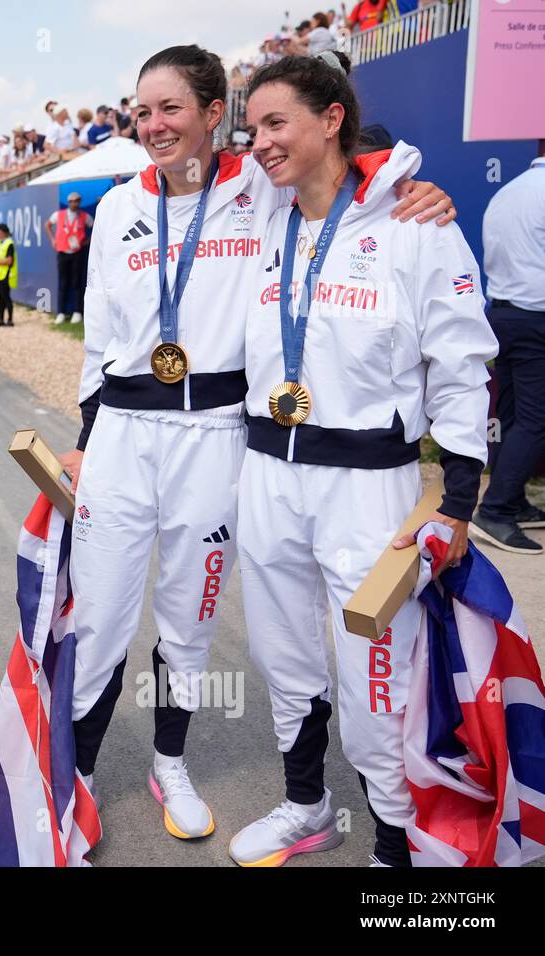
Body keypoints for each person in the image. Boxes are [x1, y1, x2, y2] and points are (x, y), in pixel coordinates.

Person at [65, 44, 454, 849]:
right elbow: (98, 338)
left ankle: (169, 761)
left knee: (190, 617)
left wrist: (413, 187)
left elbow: (343, 168)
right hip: (125, 434)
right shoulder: (113, 211)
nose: (153, 124)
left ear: (215, 116)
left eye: (171, 108)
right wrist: (84, 438)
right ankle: (75, 777)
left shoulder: (259, 187)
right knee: (99, 614)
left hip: (217, 434)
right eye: (142, 110)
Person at [232, 51, 494, 868]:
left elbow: (460, 367)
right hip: (267, 472)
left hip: (368, 486)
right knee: (284, 657)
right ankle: (307, 807)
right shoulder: (259, 216)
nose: (261, 143)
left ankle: (395, 844)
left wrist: (455, 499)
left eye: (277, 124)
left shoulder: (418, 222)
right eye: (252, 128)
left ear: (333, 118)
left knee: (376, 678)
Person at [471, 155, 545, 554]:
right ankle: (496, 510)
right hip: (535, 318)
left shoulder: (508, 192)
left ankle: (511, 499)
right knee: (535, 420)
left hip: (503, 314)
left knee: (515, 414)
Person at [45, 191, 93, 324]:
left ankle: (77, 312)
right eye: (72, 201)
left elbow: (95, 227)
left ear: (79, 202)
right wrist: (52, 240)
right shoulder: (59, 215)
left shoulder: (84, 216)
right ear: (68, 202)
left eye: (77, 201)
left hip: (77, 252)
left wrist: (88, 241)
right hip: (62, 251)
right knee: (63, 283)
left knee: (77, 283)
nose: (74, 203)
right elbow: (47, 224)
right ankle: (61, 312)